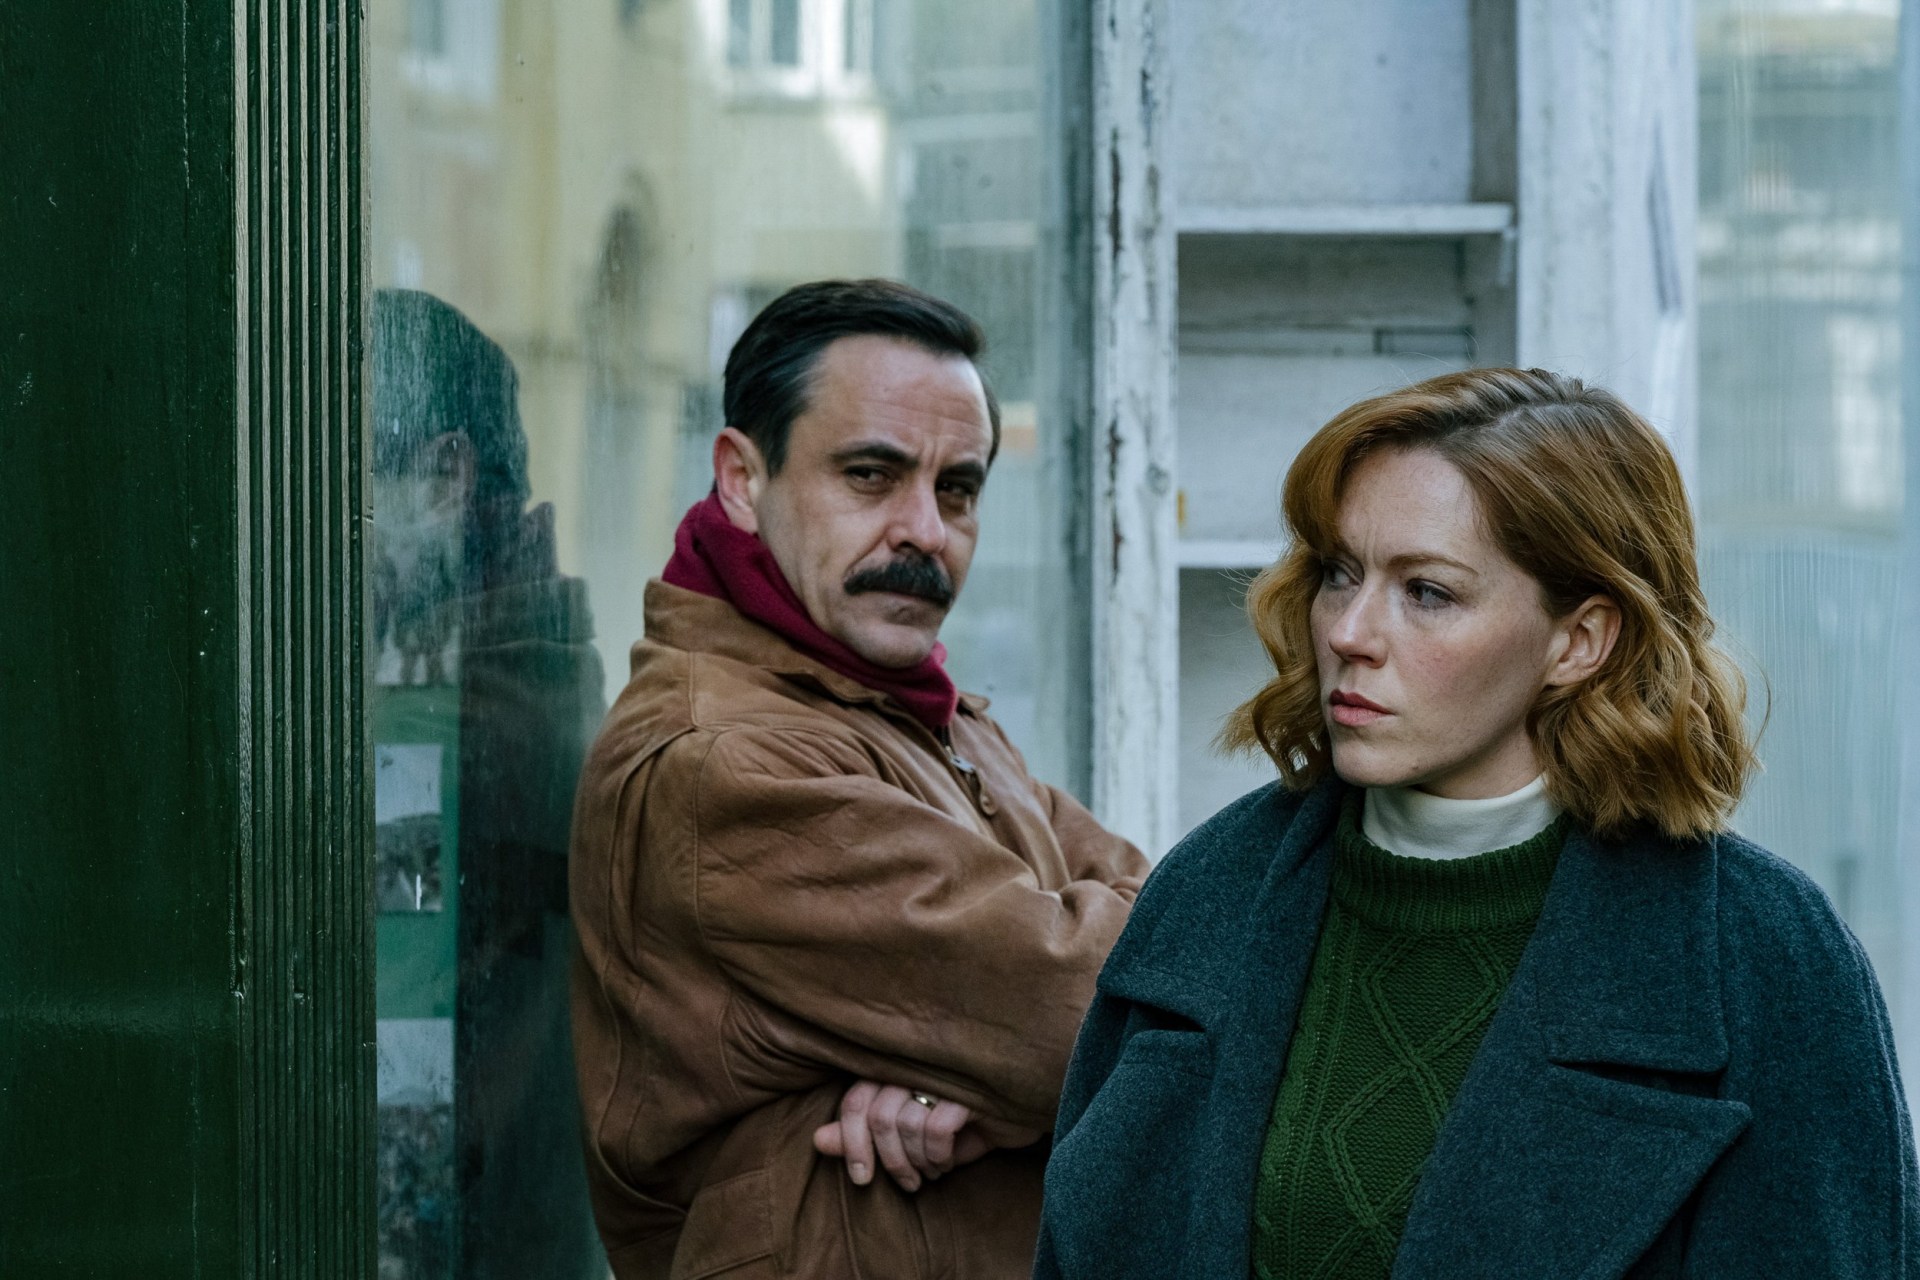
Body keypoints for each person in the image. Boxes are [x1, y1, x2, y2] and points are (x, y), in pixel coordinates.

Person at [1036, 367, 1920, 1279]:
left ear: (1580, 641)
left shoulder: (1766, 958)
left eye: (1427, 591)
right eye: (1340, 574)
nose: (1348, 632)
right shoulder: (1210, 889)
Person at [569, 278, 1149, 1279]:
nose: (925, 530)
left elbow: (1173, 921)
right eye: (871, 475)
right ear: (741, 479)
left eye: (956, 489)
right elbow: (1089, 1009)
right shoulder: (727, 761)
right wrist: (1024, 1068)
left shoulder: (907, 704)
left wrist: (997, 1095)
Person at [371, 288, 609, 1278]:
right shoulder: (542, 666)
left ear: (443, 478)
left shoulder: (441, 716)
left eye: (346, 487)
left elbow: (401, 1066)